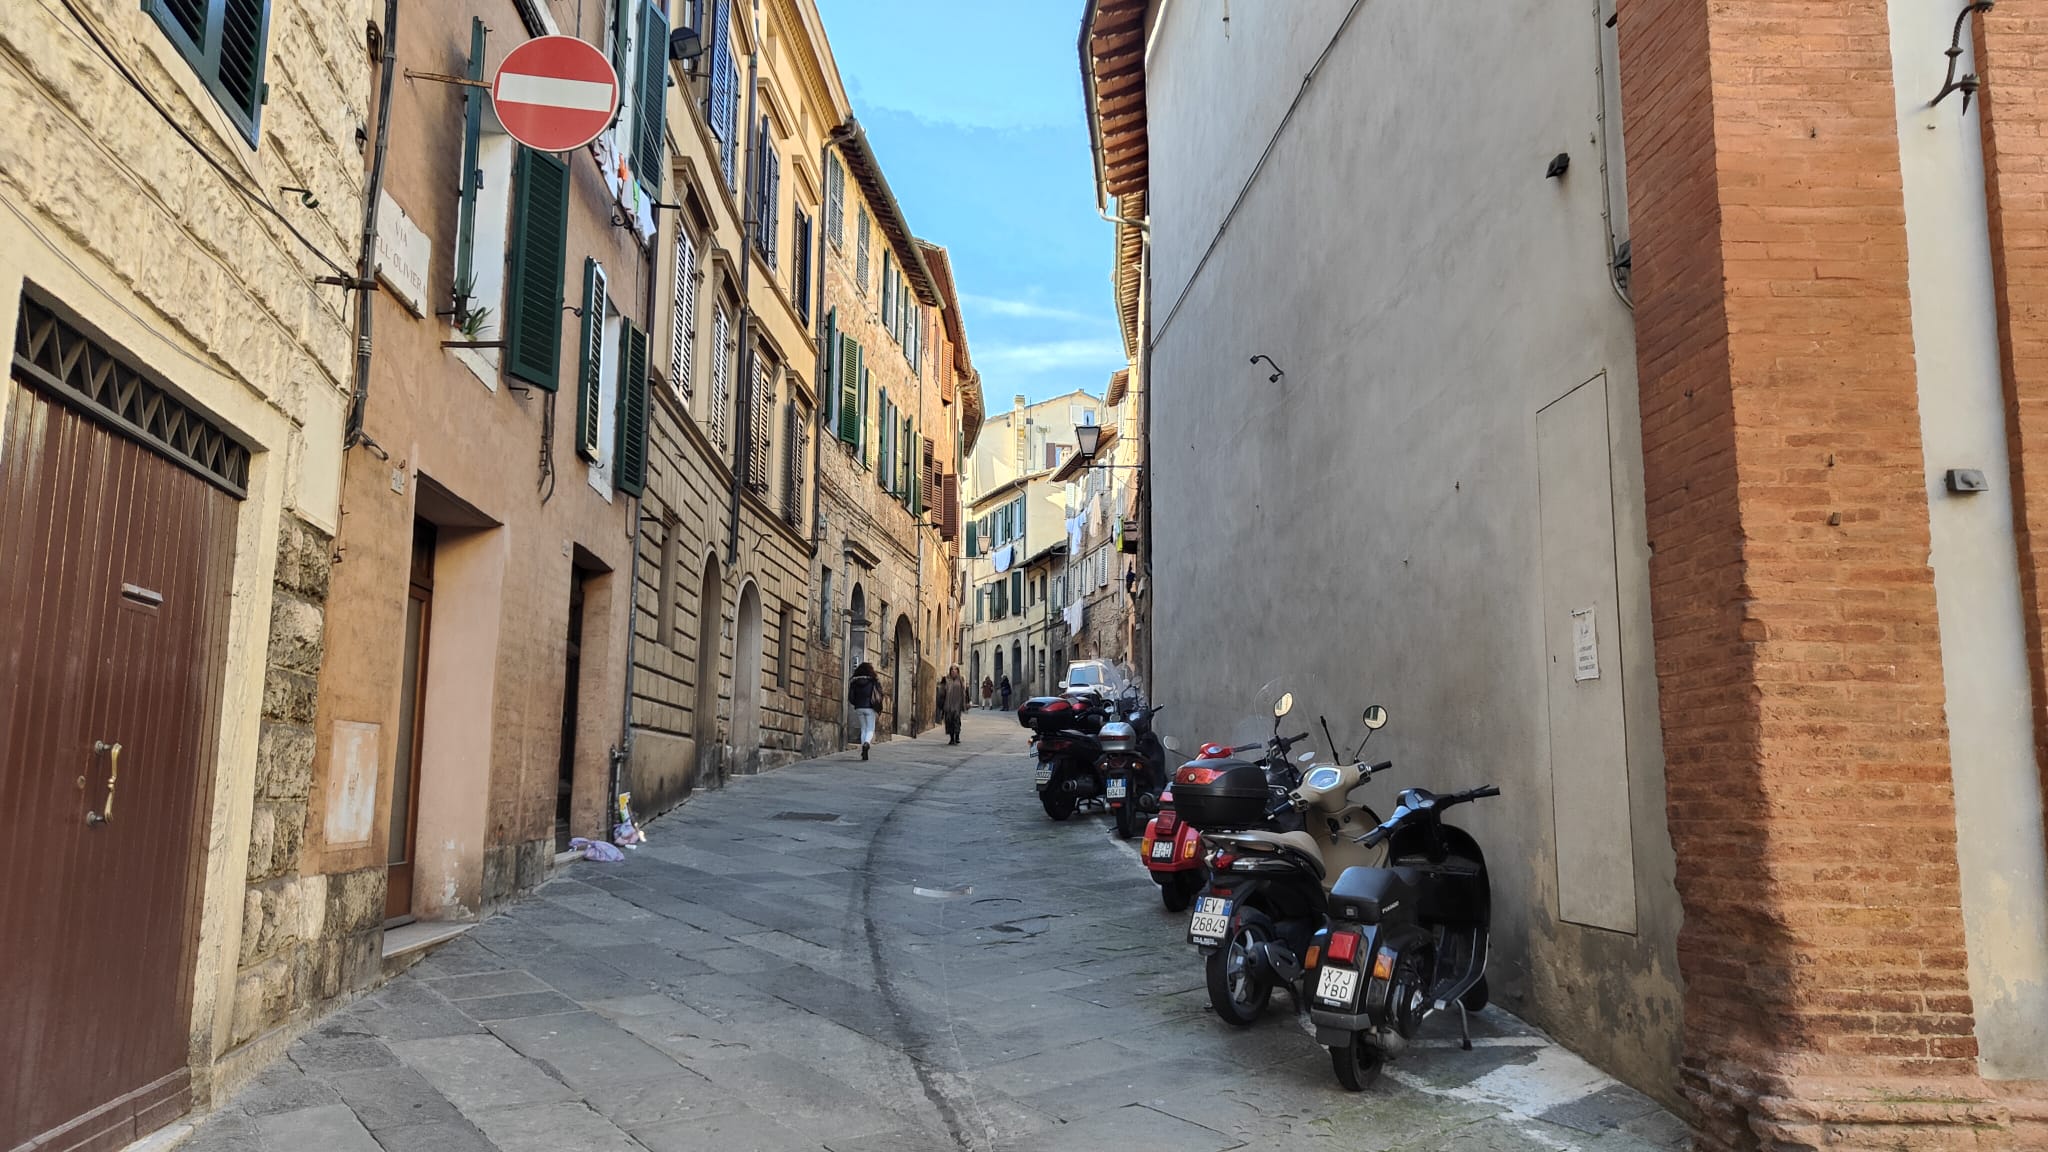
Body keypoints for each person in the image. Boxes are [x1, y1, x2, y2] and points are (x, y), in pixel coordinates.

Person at [848, 661, 881, 760]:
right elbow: (879, 693)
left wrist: (856, 704)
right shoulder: (873, 681)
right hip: (870, 707)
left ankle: (863, 750)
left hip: (859, 707)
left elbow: (851, 696)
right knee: (870, 728)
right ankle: (866, 744)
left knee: (863, 728)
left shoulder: (854, 682)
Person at [939, 666, 968, 744]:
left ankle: (957, 736)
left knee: (956, 721)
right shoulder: (946, 679)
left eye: (955, 670)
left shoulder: (960, 680)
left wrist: (964, 704)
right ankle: (952, 738)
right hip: (948, 704)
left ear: (958, 671)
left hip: (957, 704)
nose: (953, 671)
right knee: (949, 722)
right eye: (952, 669)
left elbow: (964, 692)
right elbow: (942, 692)